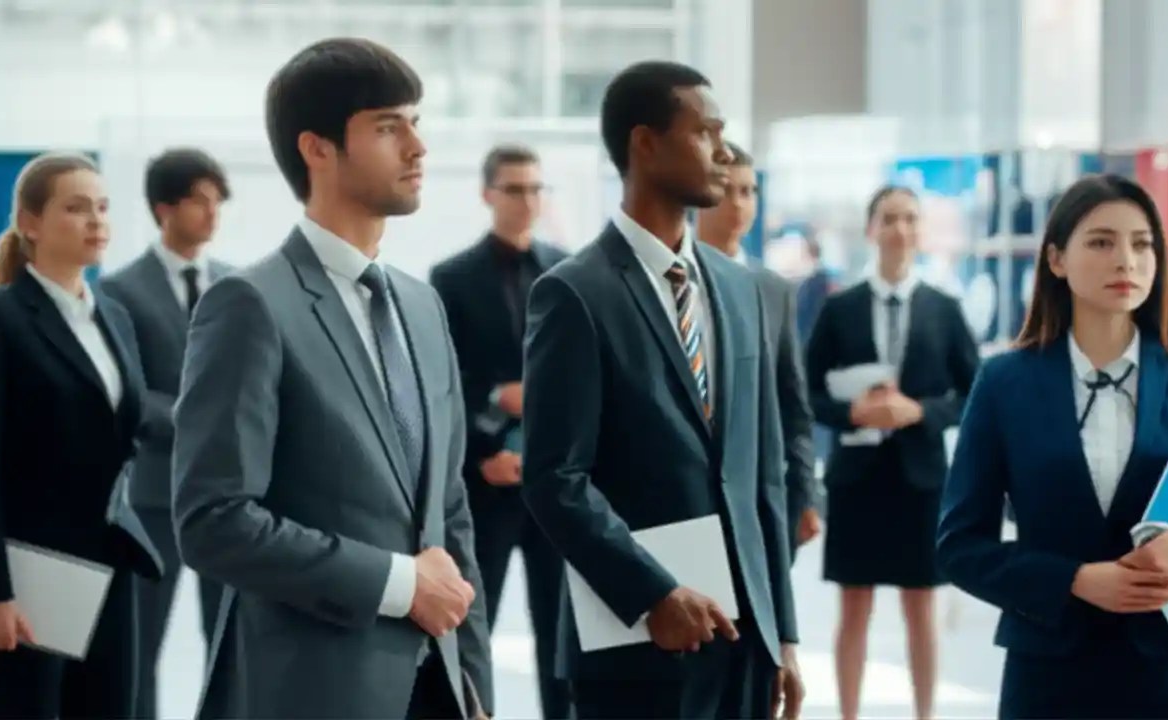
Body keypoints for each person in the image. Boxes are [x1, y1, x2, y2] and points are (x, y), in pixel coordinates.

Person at [171, 38, 492, 720]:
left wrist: (475, 686)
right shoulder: (250, 305)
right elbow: (214, 521)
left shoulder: (422, 305)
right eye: (387, 126)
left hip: (437, 685)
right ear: (317, 148)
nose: (417, 147)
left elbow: (450, 512)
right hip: (311, 689)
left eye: (416, 121)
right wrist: (400, 584)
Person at [522, 60, 804, 720]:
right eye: (705, 132)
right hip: (634, 646)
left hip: (743, 644)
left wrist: (783, 632)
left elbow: (763, 477)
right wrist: (654, 593)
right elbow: (555, 478)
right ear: (645, 144)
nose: (724, 151)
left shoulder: (741, 291)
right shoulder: (573, 293)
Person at [937, 174, 1168, 719]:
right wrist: (1075, 580)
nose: (1126, 261)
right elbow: (959, 545)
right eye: (1102, 242)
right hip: (1049, 674)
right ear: (1056, 259)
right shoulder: (1005, 383)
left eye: (1141, 243)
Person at [0, 152, 162, 719]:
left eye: (104, 208)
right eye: (76, 207)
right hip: (29, 578)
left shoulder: (113, 319)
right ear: (30, 222)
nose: (96, 221)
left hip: (109, 568)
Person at [804, 185, 979, 720]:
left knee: (920, 607)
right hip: (856, 476)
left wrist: (920, 412)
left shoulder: (945, 310)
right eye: (888, 218)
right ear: (870, 229)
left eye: (909, 219)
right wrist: (851, 413)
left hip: (921, 476)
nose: (900, 229)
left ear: (920, 231)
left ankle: (925, 714)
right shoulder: (840, 308)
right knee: (853, 606)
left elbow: (972, 395)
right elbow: (807, 392)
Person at [429, 143, 573, 718]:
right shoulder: (452, 277)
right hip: (485, 485)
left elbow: (579, 379)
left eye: (537, 188)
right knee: (473, 625)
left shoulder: (566, 270)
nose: (528, 200)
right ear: (488, 194)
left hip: (551, 484)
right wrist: (488, 433)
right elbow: (444, 383)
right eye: (515, 189)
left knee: (560, 631)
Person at [98, 147, 233, 719]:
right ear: (164, 208)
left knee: (229, 643)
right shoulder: (122, 289)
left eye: (217, 200)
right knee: (140, 644)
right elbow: (126, 391)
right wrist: (198, 418)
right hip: (156, 495)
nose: (212, 212)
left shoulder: (235, 284)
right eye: (199, 200)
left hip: (231, 495)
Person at [693, 140, 820, 557]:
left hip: (758, 492)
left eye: (747, 191)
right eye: (726, 189)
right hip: (689, 492)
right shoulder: (676, 280)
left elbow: (792, 402)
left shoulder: (773, 289)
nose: (737, 204)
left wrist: (804, 492)